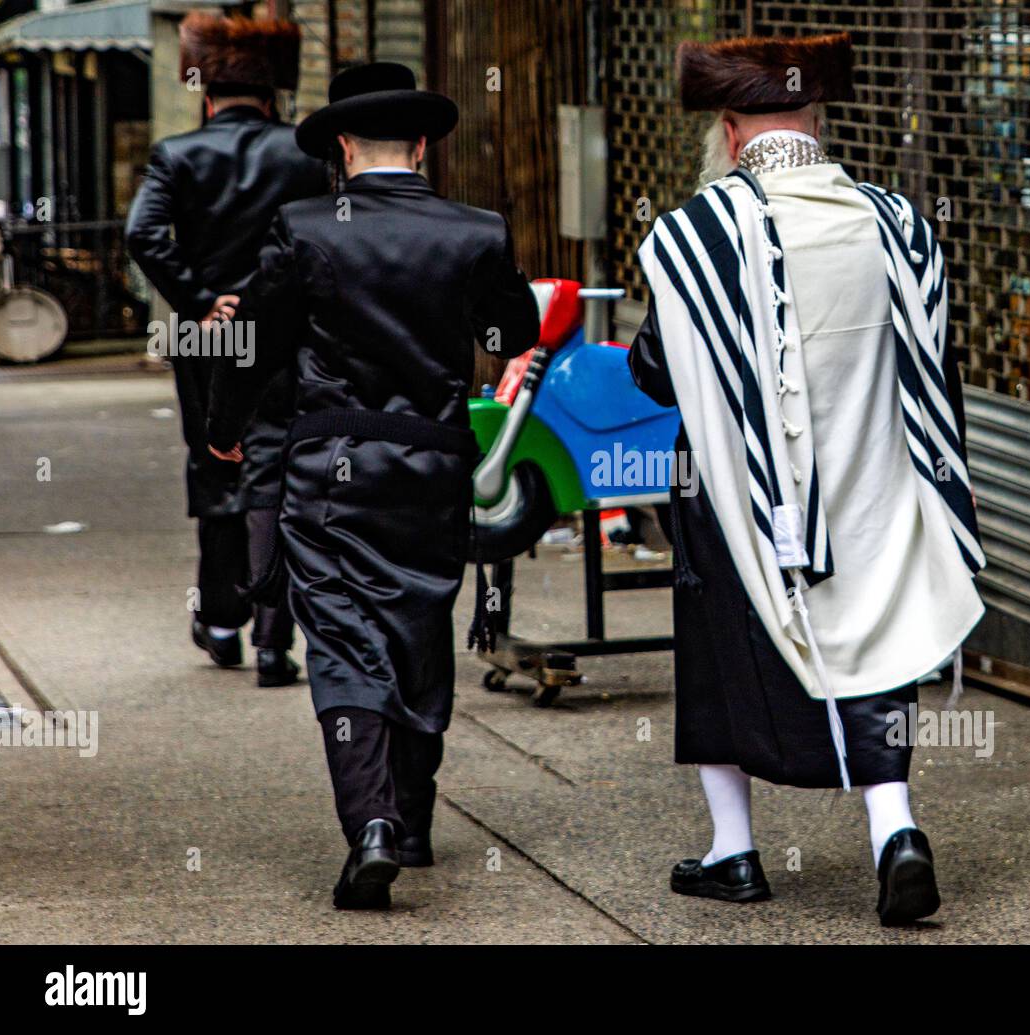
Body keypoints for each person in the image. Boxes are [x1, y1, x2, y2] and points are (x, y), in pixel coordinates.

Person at [628, 32, 986, 925]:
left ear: (731, 128)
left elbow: (661, 370)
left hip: (732, 497)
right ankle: (895, 833)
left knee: (716, 652)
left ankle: (734, 851)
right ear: (816, 121)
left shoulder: (694, 234)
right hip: (877, 488)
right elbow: (932, 365)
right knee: (879, 645)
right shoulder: (896, 222)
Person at [205, 62, 539, 909]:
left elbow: (252, 342)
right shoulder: (476, 229)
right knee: (421, 624)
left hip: (330, 466)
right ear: (422, 146)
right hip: (432, 463)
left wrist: (224, 428)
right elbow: (511, 333)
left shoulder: (306, 225)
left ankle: (374, 826)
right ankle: (415, 820)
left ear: (343, 147)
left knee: (347, 642)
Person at [126, 13, 326, 686]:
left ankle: (218, 617)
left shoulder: (176, 155)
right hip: (284, 336)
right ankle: (276, 632)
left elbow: (143, 235)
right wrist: (256, 295)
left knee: (215, 467)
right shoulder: (305, 154)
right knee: (278, 469)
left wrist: (202, 299)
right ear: (272, 99)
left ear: (207, 96)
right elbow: (314, 241)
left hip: (203, 336)